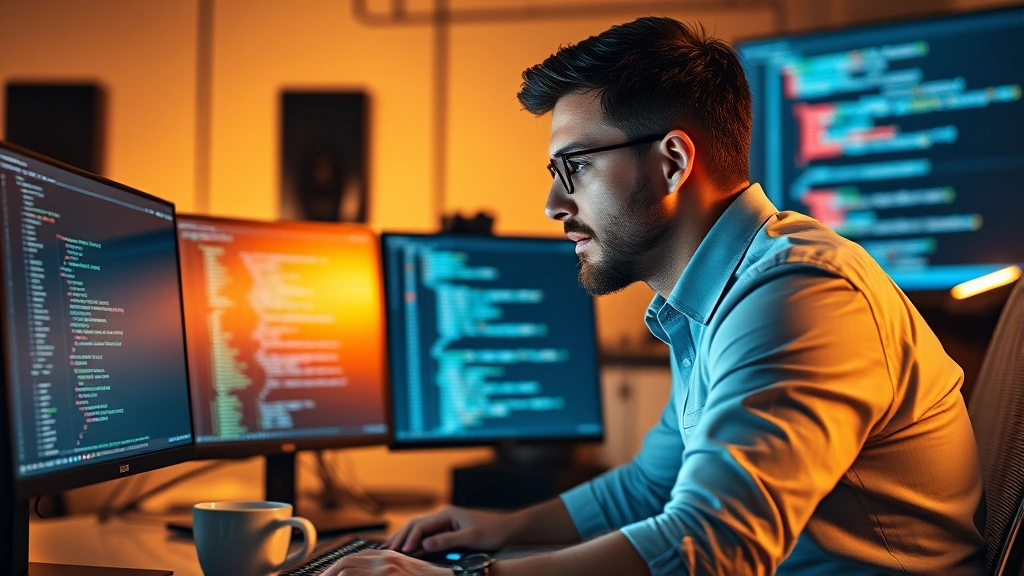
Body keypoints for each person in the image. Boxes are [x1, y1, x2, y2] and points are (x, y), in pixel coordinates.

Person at [326, 17, 986, 576]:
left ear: (672, 162)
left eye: (575, 167)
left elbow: (714, 545)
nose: (553, 203)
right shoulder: (711, 299)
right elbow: (651, 485)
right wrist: (496, 529)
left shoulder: (798, 294)